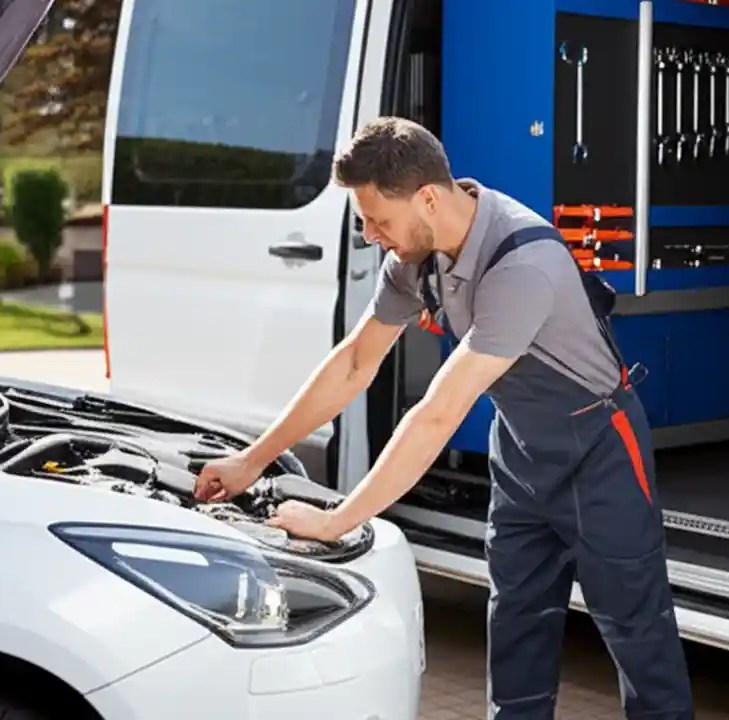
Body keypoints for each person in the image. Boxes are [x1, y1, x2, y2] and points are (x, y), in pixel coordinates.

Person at [194, 116, 694, 719]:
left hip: (600, 450)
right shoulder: (417, 252)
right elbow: (355, 362)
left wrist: (337, 521)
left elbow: (437, 415)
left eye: (378, 219)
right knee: (516, 626)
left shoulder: (523, 264)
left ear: (427, 197)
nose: (372, 234)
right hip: (522, 451)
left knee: (637, 633)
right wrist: (252, 460)